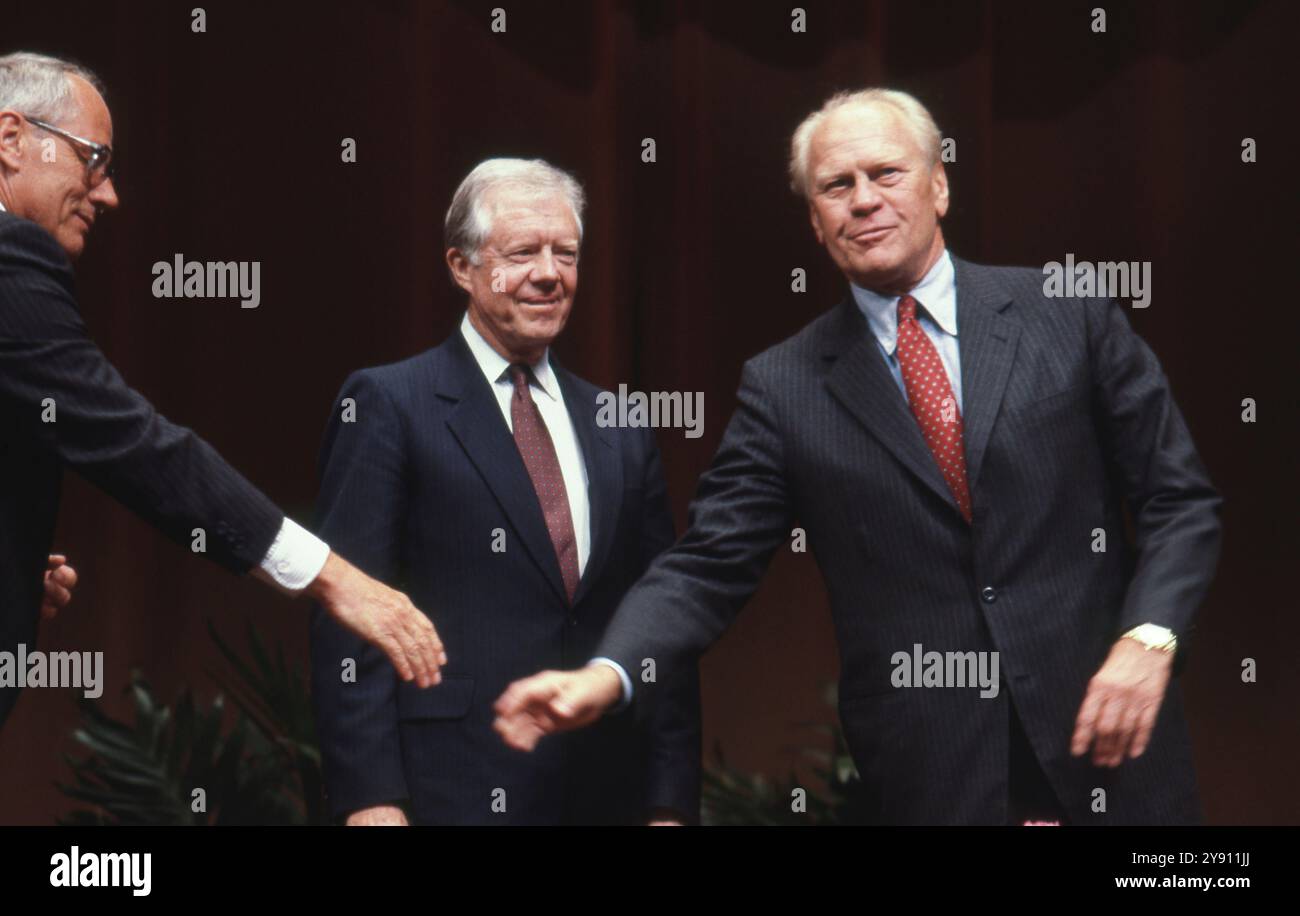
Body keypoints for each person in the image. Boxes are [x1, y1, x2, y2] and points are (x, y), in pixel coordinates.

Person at [493, 89, 1223, 825]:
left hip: (1112, 742)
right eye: (837, 186)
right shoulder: (784, 387)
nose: (864, 200)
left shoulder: (1067, 312)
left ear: (940, 185)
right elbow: (708, 564)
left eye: (887, 173)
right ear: (816, 221)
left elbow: (1180, 500)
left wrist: (1149, 638)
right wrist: (608, 673)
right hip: (936, 774)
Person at [0, 51, 444, 731]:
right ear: (10, 139)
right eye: (94, 159)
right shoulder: (10, 257)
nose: (109, 193)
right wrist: (334, 579)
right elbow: (135, 445)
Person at [310, 159, 701, 825]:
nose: (549, 273)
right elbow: (347, 613)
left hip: (607, 795)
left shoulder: (622, 425)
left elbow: (662, 621)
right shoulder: (388, 404)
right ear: (461, 267)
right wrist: (370, 800)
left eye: (566, 253)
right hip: (450, 792)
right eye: (523, 252)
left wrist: (669, 803)